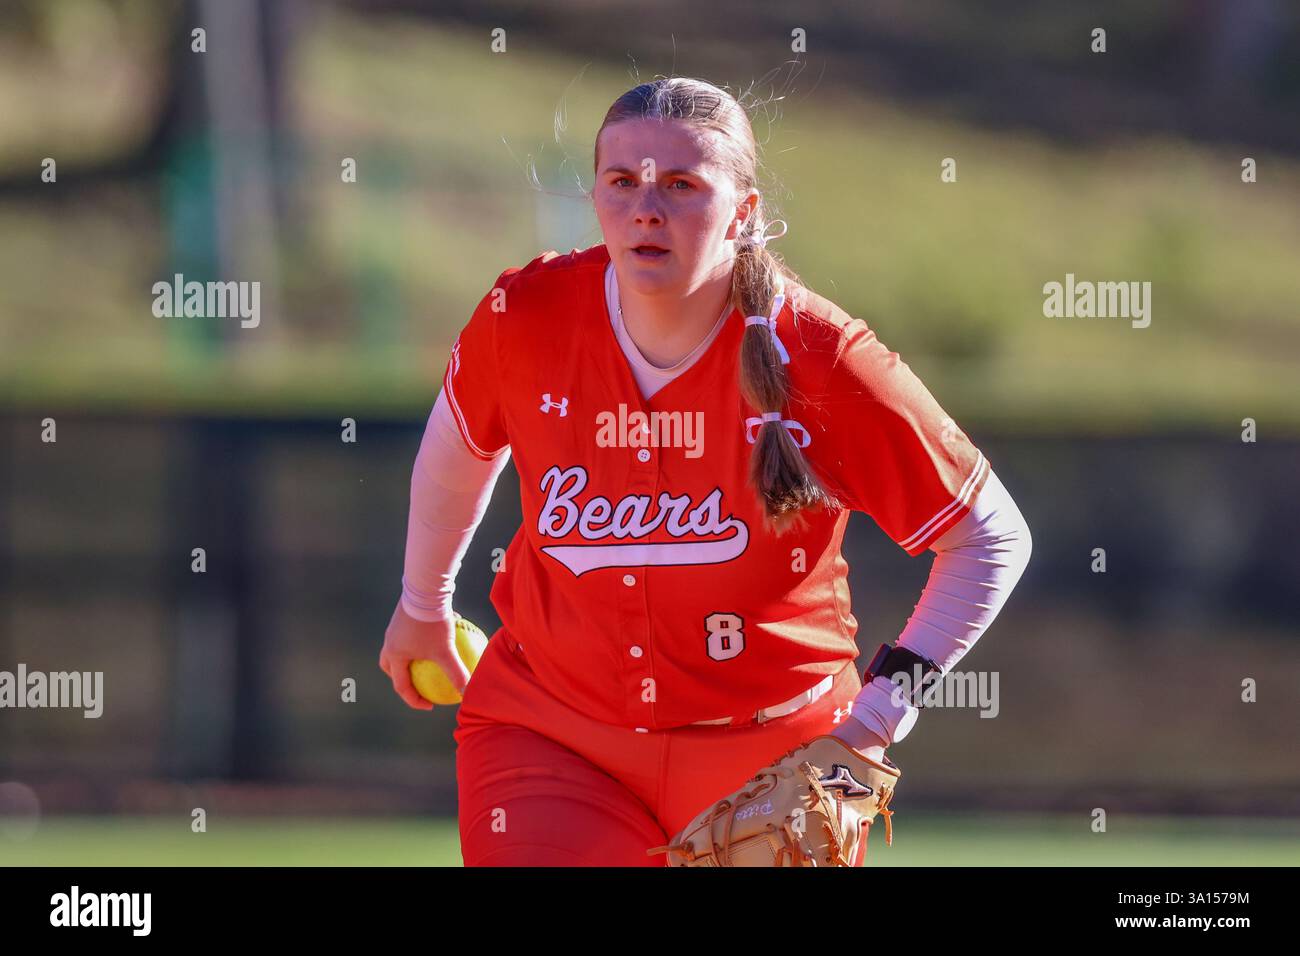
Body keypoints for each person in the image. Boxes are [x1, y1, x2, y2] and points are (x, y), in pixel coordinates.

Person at [379, 77, 1032, 866]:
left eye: (682, 185)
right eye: (622, 182)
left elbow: (992, 536)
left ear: (746, 213)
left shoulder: (821, 359)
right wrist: (423, 601)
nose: (646, 208)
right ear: (595, 198)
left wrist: (879, 716)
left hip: (779, 756)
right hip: (550, 734)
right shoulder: (528, 316)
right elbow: (461, 443)